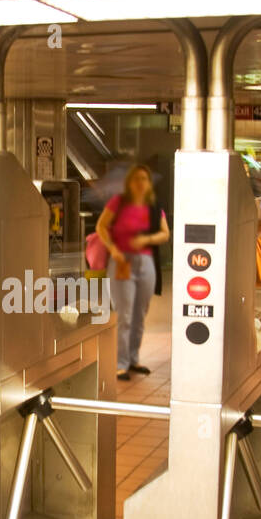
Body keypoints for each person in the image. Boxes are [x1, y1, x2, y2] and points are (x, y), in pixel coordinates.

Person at [96, 163, 169, 381]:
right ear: (130, 182)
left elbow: (165, 234)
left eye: (144, 179)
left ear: (149, 184)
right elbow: (101, 227)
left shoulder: (154, 206)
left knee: (141, 313)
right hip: (121, 262)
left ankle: (134, 359)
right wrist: (113, 248)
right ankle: (120, 363)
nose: (140, 183)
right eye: (136, 179)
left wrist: (146, 239)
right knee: (124, 314)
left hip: (146, 262)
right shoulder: (118, 202)